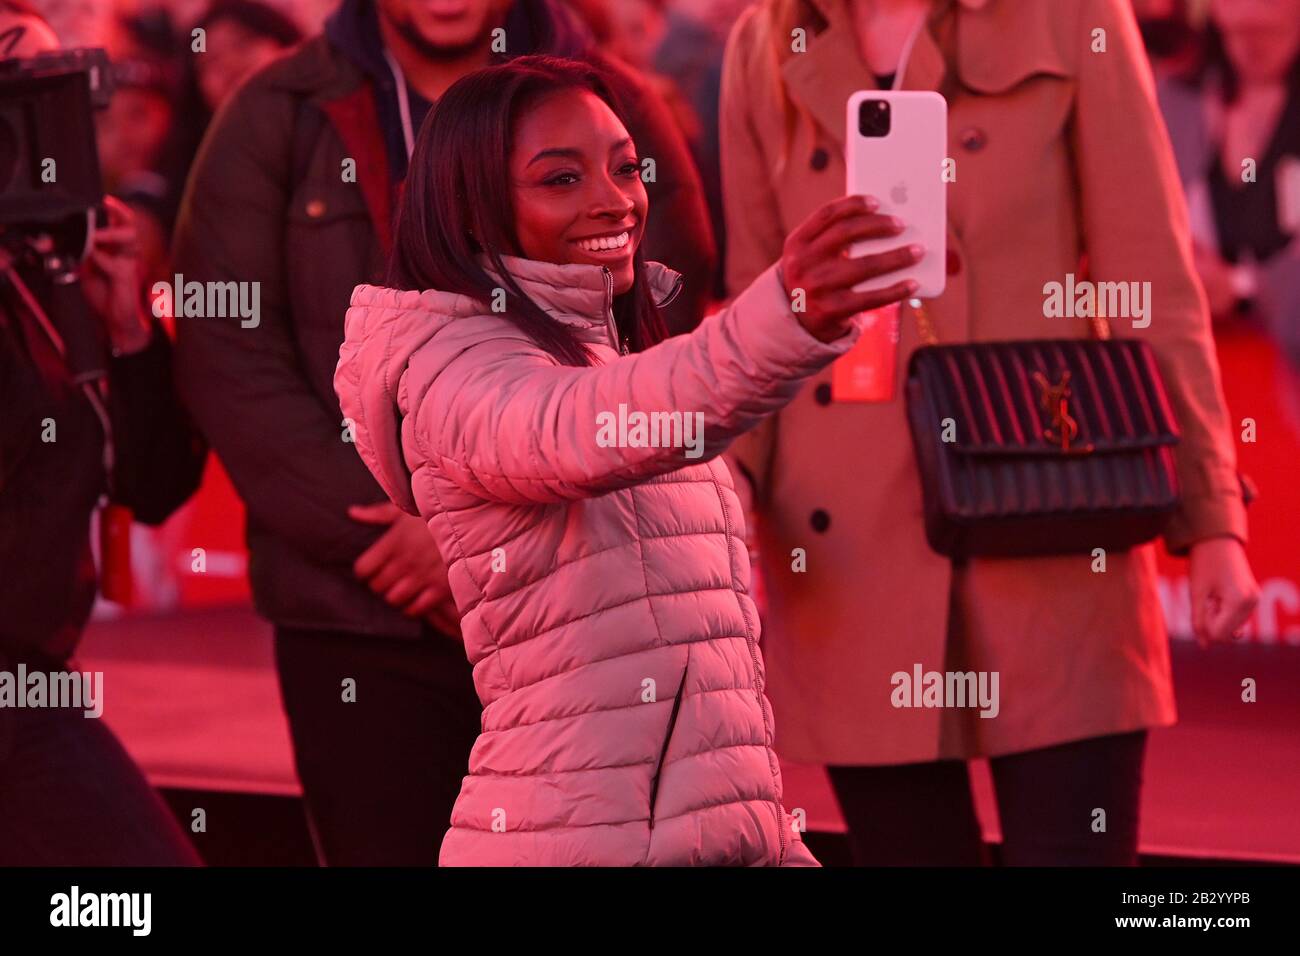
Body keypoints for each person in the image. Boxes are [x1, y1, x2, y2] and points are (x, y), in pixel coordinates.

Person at [334, 54, 923, 866]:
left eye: (623, 168)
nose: (614, 200)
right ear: (473, 209)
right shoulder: (447, 366)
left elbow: (703, 722)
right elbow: (579, 430)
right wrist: (783, 315)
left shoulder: (613, 358)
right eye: (560, 179)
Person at [172, 0, 712, 866]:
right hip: (362, 610)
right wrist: (420, 526)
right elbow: (229, 354)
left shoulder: (614, 98)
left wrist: (478, 532)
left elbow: (672, 315)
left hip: (581, 603)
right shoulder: (277, 109)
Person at [719, 0, 1259, 865]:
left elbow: (1148, 280)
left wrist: (1214, 517)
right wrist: (726, 504)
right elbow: (754, 309)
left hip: (1048, 498)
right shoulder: (763, 43)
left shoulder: (1073, 17)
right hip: (844, 546)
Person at [0, 0, 205, 865]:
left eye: (57, 100)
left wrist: (127, 333)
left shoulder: (51, 269)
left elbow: (151, 486)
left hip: (32, 689)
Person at [1158, 0, 1300, 369]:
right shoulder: (1181, 102)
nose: (1250, 49)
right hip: (1210, 359)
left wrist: (1241, 288)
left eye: (1267, 34)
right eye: (1237, 34)